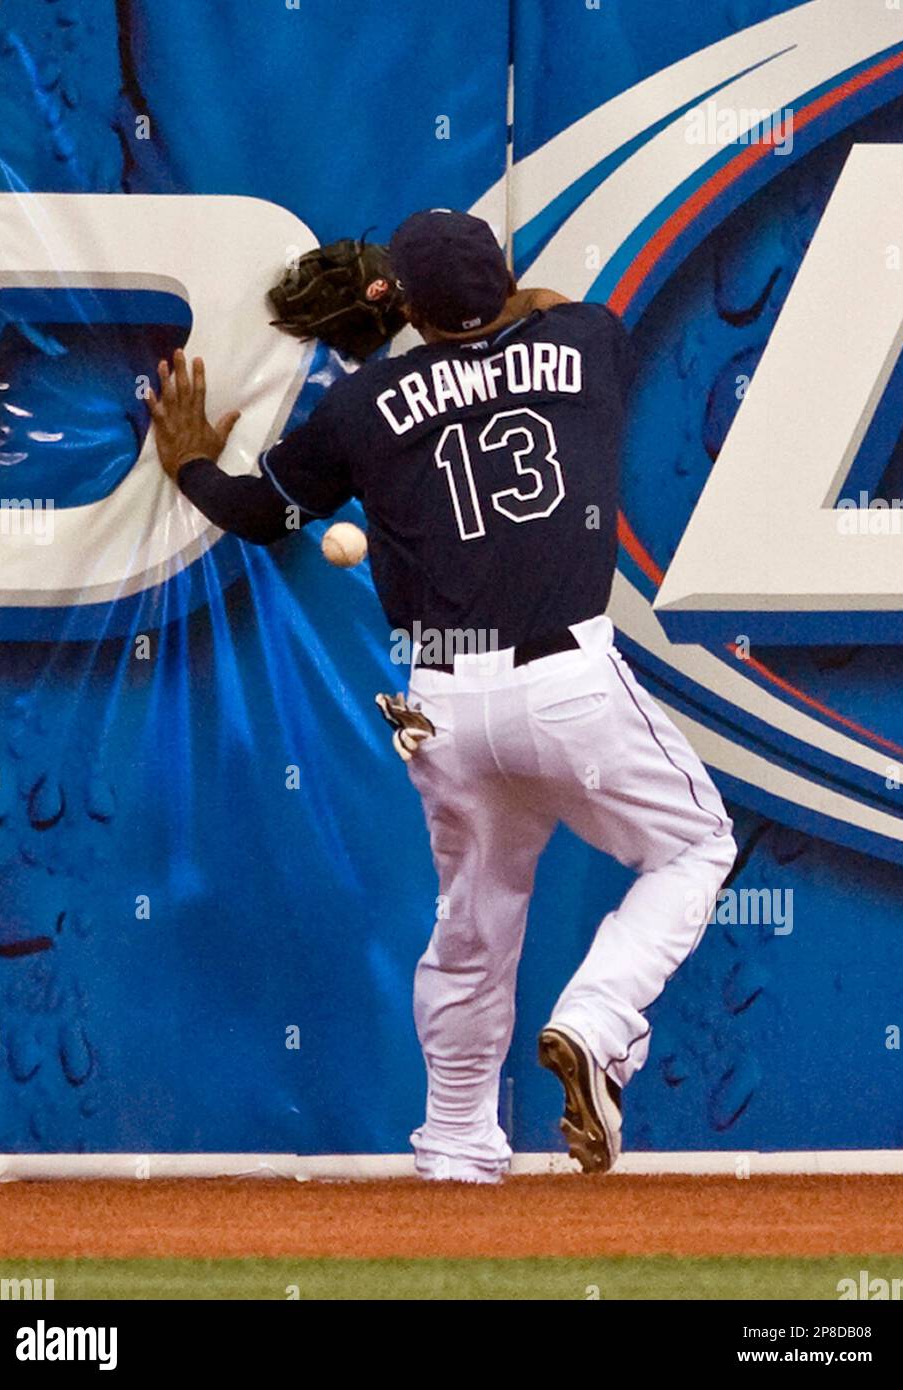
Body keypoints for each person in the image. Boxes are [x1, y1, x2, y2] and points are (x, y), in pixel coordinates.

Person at [149, 208, 737, 1183]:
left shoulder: (359, 403)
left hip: (443, 705)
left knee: (472, 919)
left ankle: (457, 1145)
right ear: (501, 284)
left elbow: (261, 515)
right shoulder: (585, 341)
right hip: (565, 683)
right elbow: (540, 307)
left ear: (405, 303)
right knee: (692, 845)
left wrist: (191, 465)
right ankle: (594, 1020)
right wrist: (434, 308)